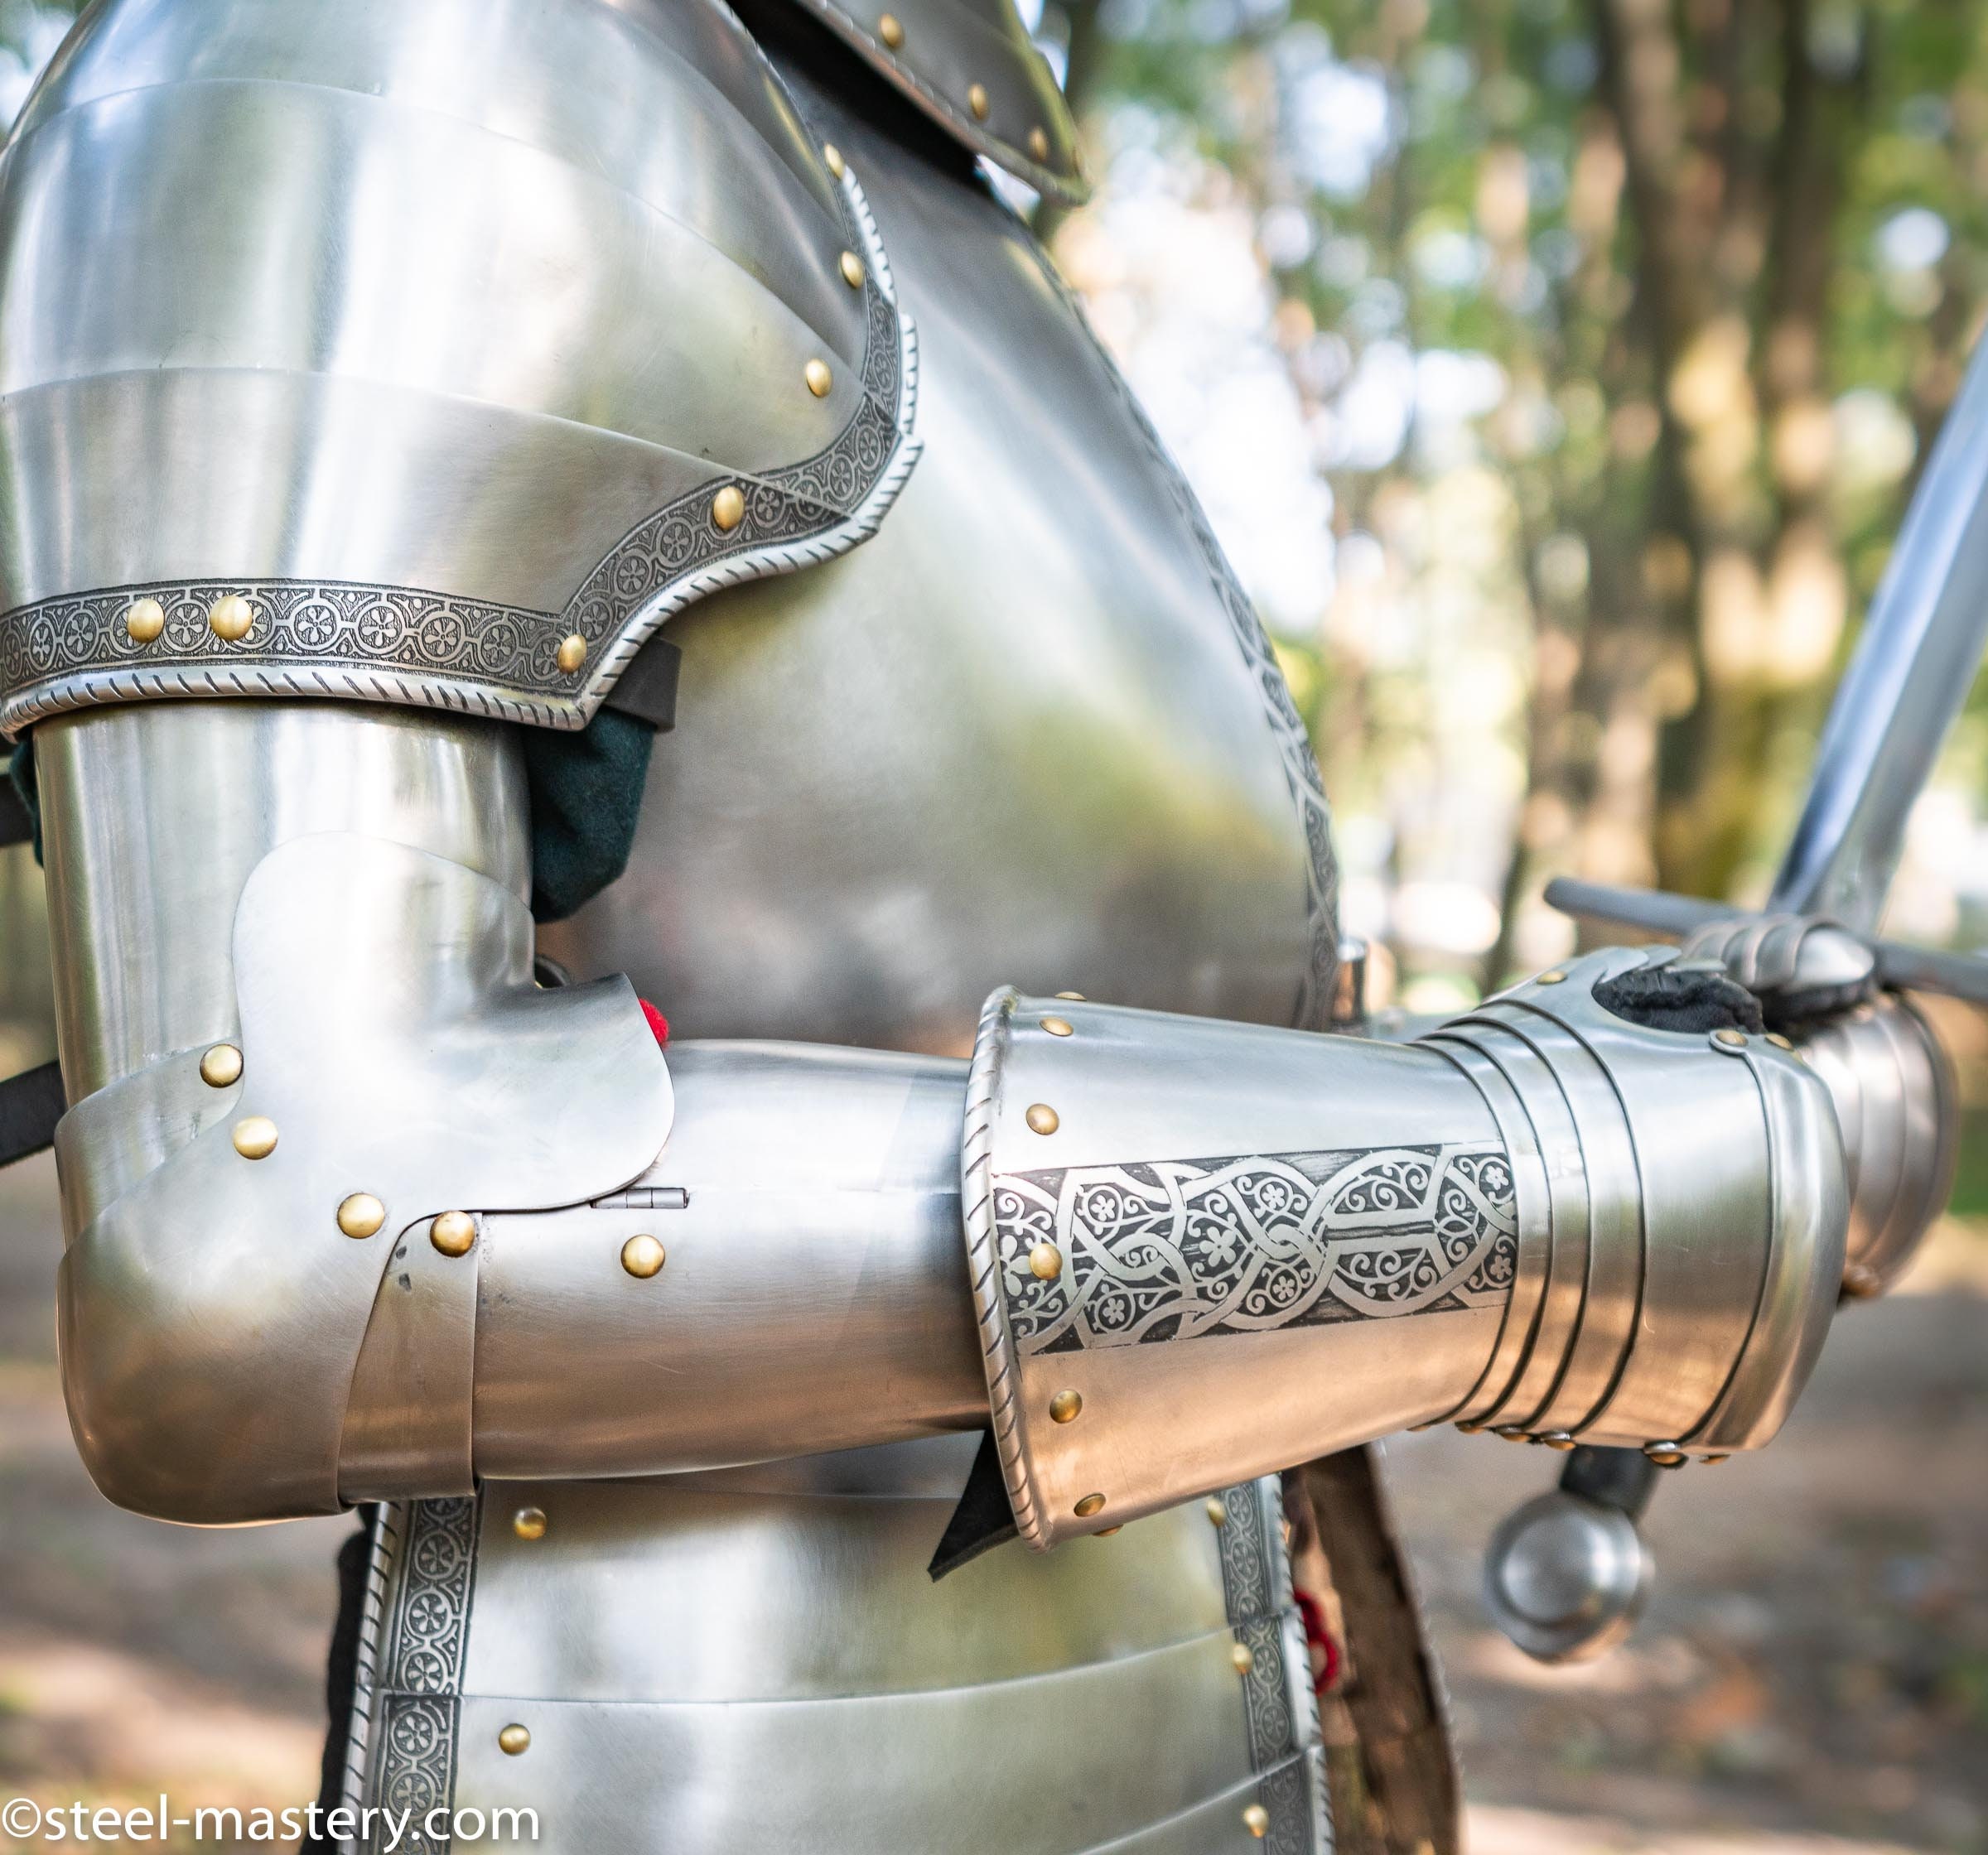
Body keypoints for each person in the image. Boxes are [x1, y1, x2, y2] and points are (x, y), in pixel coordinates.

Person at [0, 1, 1946, 1848]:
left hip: (1199, 1723)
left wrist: (1653, 1075)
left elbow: (1111, 1024)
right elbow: (258, 1247)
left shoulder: (924, 193)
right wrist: (1554, 1186)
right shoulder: (399, 55)